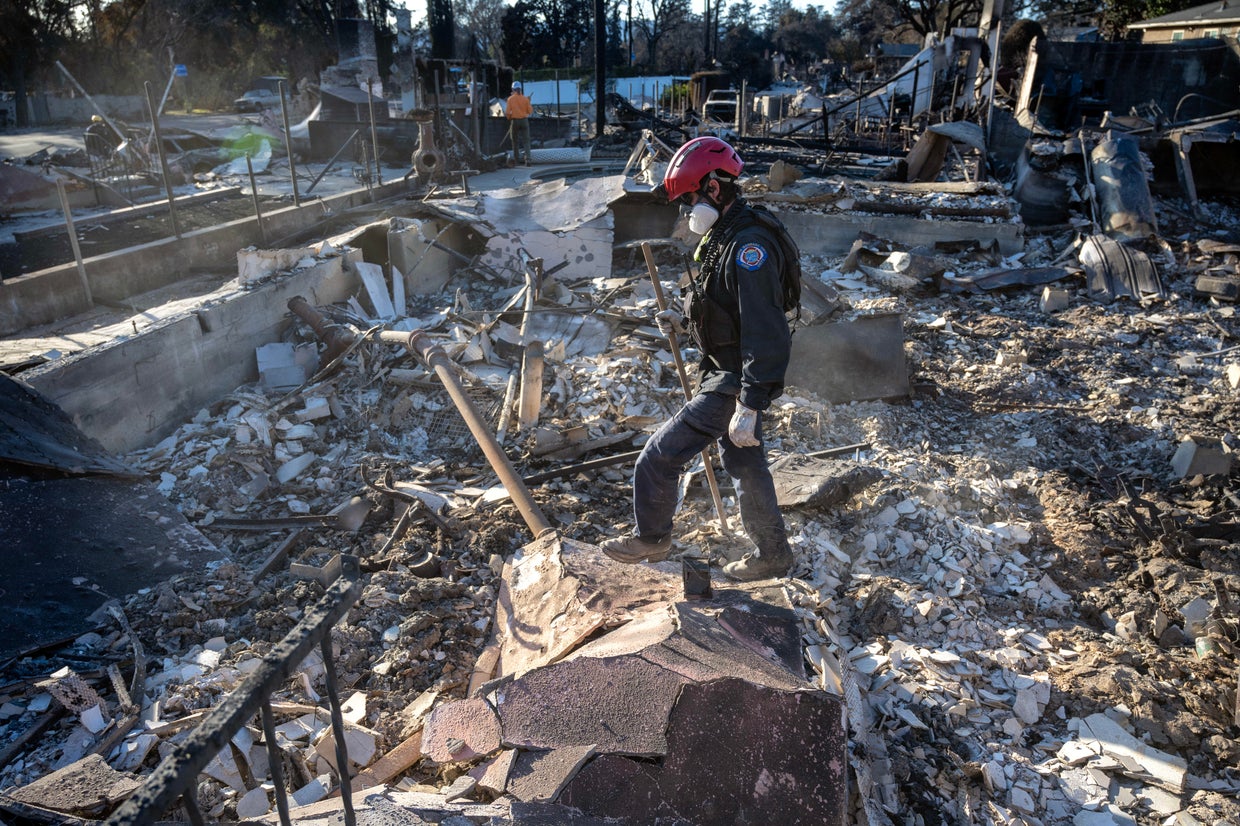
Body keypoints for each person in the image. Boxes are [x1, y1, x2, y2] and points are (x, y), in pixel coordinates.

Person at [600, 136, 797, 582]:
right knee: (746, 467)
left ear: (713, 187)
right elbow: (725, 310)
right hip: (729, 374)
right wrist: (684, 321)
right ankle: (773, 555)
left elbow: (765, 328)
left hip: (733, 382)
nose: (687, 209)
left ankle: (652, 538)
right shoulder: (725, 237)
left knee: (658, 457)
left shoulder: (748, 247)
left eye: (689, 197)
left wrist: (750, 402)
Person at [506, 81, 532, 165]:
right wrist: (529, 102)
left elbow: (507, 113)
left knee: (514, 140)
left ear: (513, 89)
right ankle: (528, 159)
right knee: (526, 141)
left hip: (515, 121)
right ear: (520, 89)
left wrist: (510, 118)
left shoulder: (510, 99)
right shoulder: (525, 99)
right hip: (524, 121)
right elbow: (530, 111)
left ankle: (516, 160)